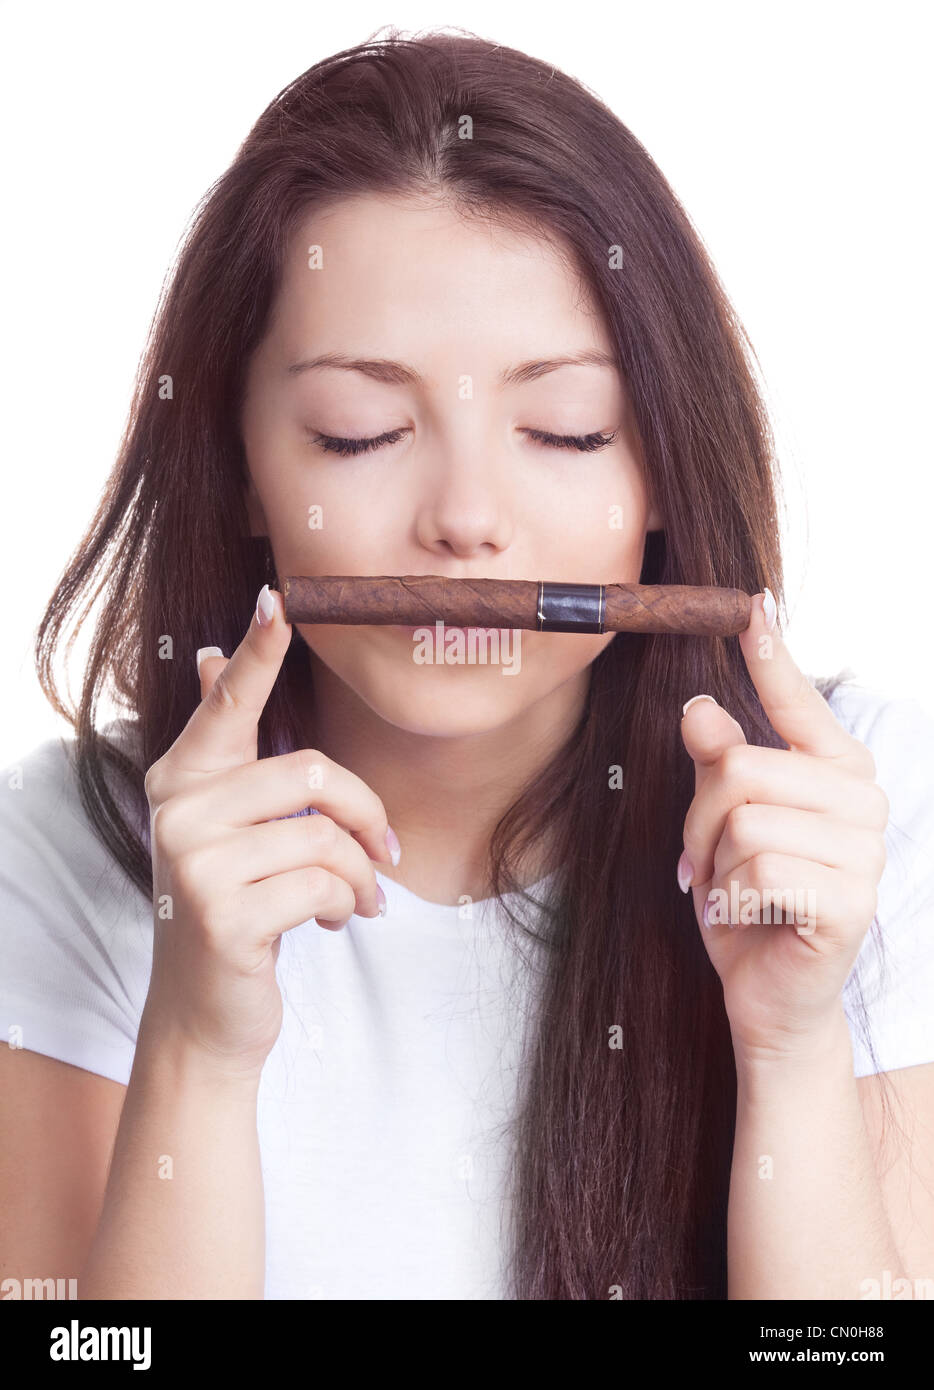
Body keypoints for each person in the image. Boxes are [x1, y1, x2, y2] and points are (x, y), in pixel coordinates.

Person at [1, 30, 933, 1302]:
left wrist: (792, 1044)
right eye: (359, 431)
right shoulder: (68, 851)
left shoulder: (852, 809)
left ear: (656, 466)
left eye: (566, 427)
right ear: (240, 476)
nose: (469, 520)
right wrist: (198, 1051)